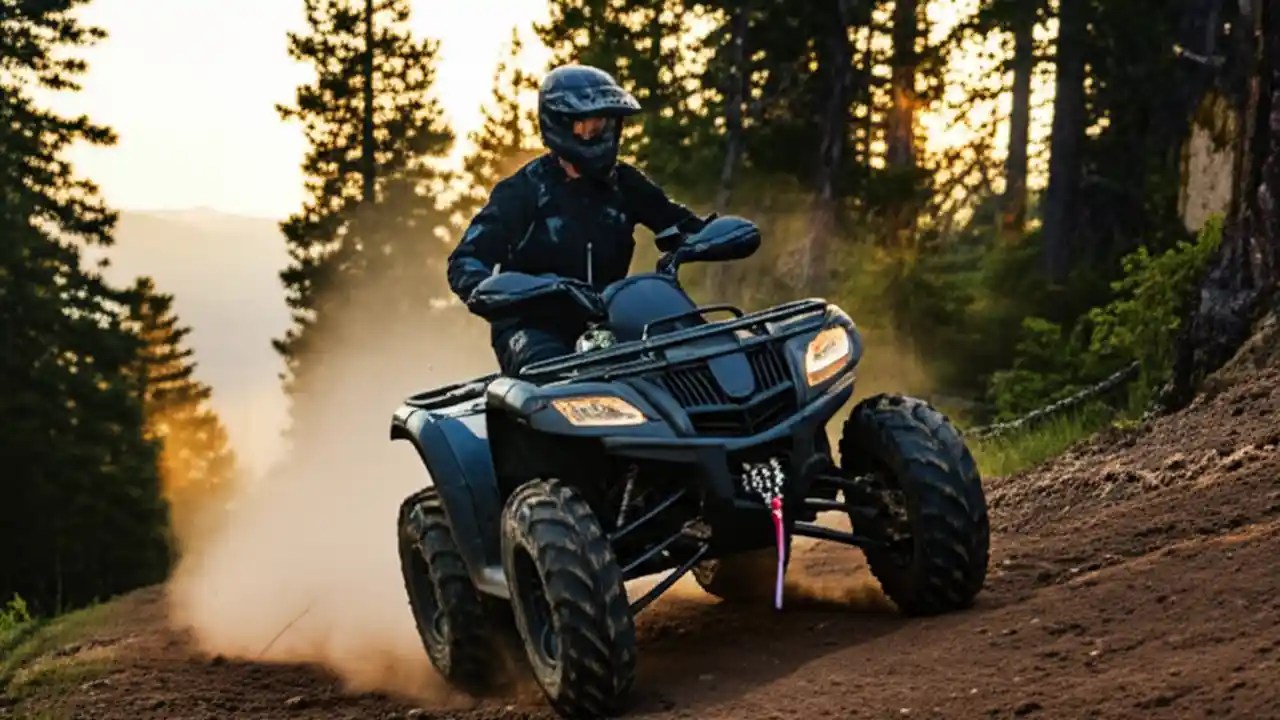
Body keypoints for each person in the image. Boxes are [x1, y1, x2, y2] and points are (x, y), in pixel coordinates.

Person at [446, 64, 707, 375]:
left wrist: (714, 237)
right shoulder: (522, 191)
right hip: (533, 328)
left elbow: (683, 226)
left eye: (604, 124)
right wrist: (503, 292)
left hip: (611, 322)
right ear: (557, 124)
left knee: (693, 356)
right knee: (551, 375)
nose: (598, 133)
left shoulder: (626, 183)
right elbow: (465, 261)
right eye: (586, 126)